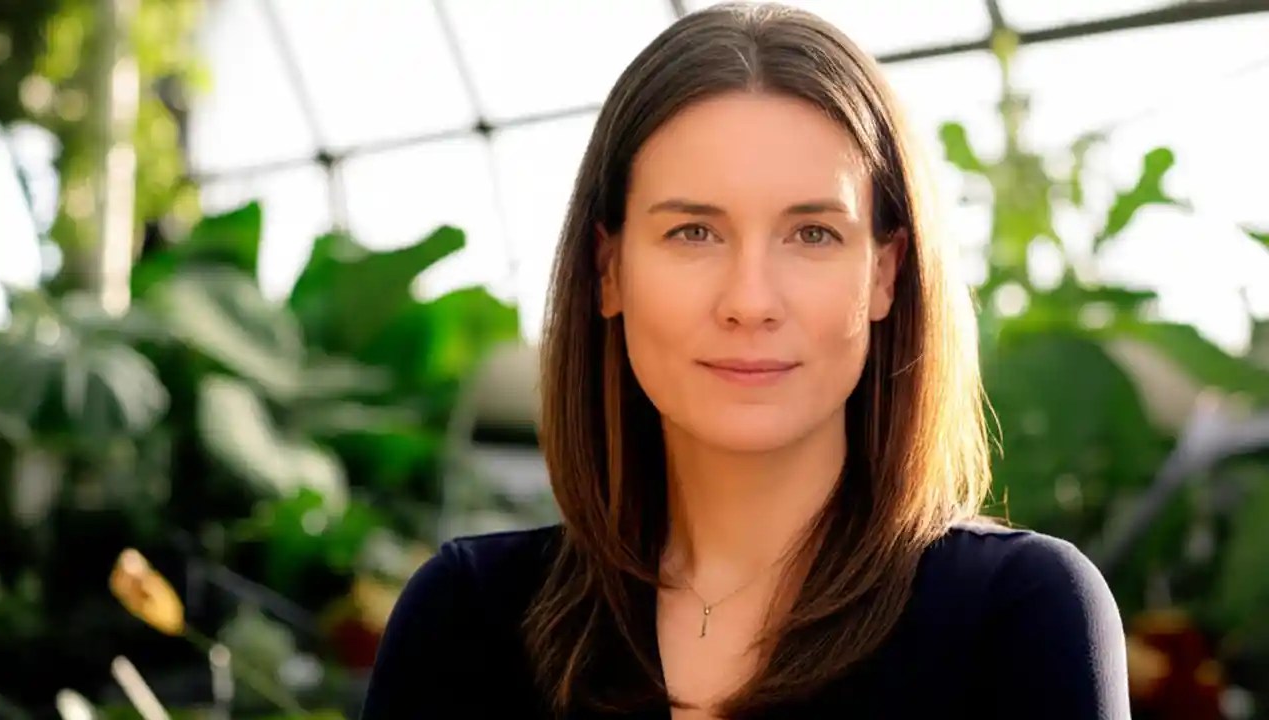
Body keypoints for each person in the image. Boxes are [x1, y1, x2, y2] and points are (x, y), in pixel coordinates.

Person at [360, 3, 1131, 718]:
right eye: (694, 232)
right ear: (608, 270)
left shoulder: (1019, 615)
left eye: (812, 234)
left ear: (886, 275)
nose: (750, 300)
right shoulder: (466, 622)